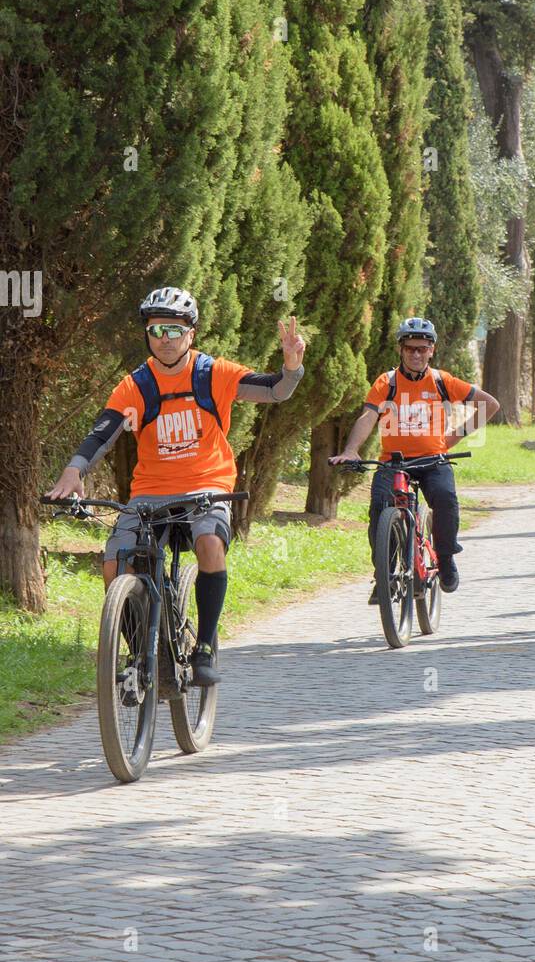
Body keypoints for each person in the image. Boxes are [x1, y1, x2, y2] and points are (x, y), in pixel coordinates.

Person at [46, 287, 307, 685]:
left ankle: (204, 647)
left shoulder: (213, 374)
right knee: (115, 563)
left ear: (191, 333)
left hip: (208, 485)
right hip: (151, 490)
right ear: (147, 334)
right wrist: (73, 471)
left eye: (174, 329)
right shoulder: (135, 385)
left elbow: (275, 390)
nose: (165, 338)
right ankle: (140, 656)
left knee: (209, 544)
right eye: (156, 330)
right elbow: (102, 433)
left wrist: (291, 367)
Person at [329, 317, 500, 600]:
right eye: (410, 349)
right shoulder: (387, 382)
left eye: (422, 348)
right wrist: (351, 450)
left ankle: (445, 558)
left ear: (431, 350)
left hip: (434, 461)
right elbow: (369, 415)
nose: (416, 354)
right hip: (393, 462)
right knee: (379, 507)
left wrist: (452, 439)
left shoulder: (442, 381)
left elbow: (490, 404)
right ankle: (384, 575)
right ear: (401, 349)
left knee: (445, 498)